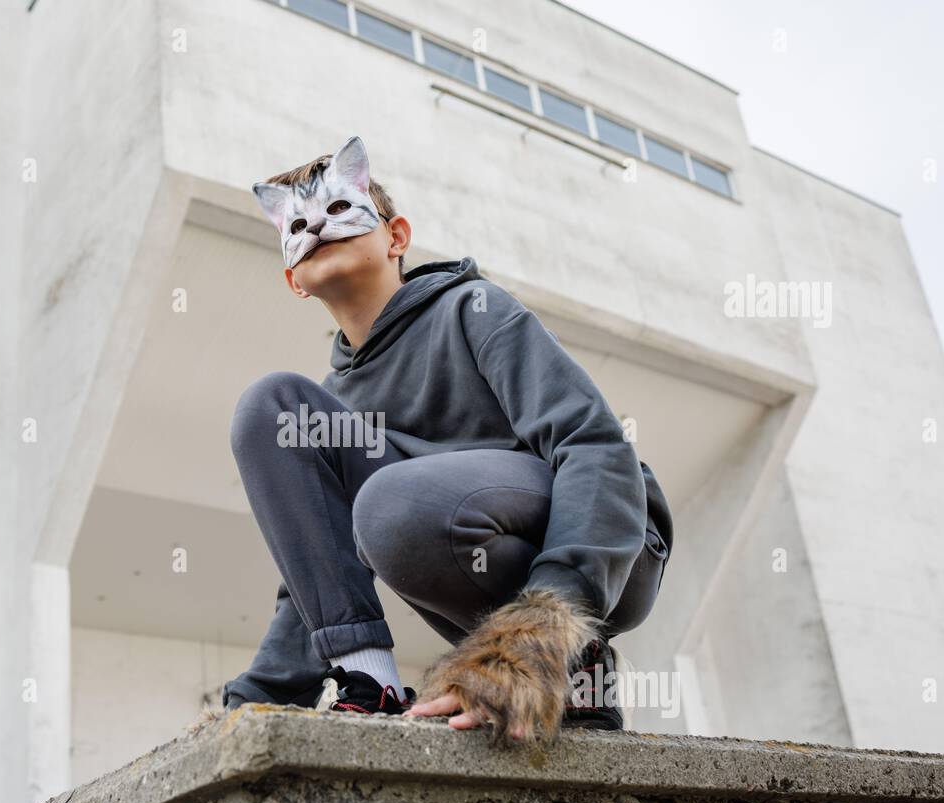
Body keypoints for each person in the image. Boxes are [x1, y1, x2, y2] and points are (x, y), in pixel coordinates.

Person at [221, 136, 673, 745]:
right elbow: (314, 562)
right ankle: (367, 679)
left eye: (339, 212)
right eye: (298, 225)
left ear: (396, 237)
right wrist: (263, 700)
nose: (319, 229)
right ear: (294, 280)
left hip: (610, 540)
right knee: (272, 407)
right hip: (446, 527)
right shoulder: (328, 406)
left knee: (390, 503)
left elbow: (591, 443)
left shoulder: (473, 308)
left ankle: (577, 655)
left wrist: (546, 626)